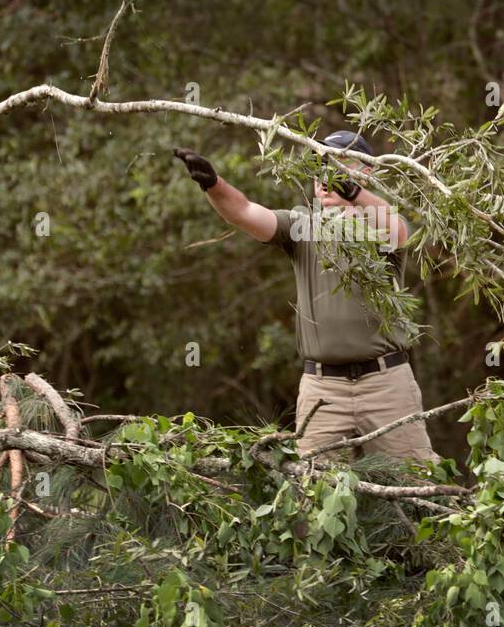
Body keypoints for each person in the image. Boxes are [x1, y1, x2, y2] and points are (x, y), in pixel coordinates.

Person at [173, 130, 439, 463]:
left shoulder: (379, 224)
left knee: (415, 486)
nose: (326, 178)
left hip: (388, 385)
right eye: (321, 168)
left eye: (339, 166)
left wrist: (354, 191)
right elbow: (244, 211)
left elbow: (397, 230)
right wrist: (213, 185)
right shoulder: (302, 227)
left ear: (367, 171)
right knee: (317, 496)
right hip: (322, 389)